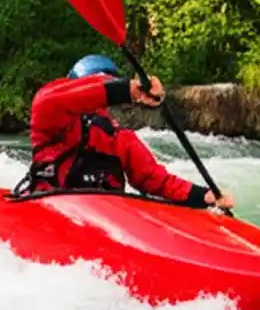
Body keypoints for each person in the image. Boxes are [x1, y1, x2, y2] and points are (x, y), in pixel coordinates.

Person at [15, 54, 236, 210]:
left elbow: (153, 179)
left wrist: (202, 196)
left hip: (105, 220)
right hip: (48, 207)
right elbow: (54, 99)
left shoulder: (120, 138)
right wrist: (130, 90)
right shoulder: (51, 120)